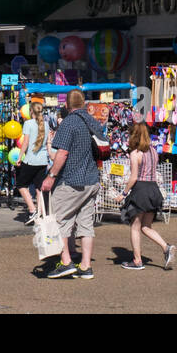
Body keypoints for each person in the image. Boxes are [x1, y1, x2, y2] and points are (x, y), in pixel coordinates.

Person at [40, 89, 104, 279]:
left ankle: (66, 262)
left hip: (71, 180)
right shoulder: (92, 121)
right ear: (84, 103)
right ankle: (85, 266)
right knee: (85, 224)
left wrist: (51, 175)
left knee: (57, 220)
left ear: (67, 105)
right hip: (92, 180)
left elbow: (62, 153)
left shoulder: (69, 122)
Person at [120, 122, 175, 271]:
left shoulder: (135, 154)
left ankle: (137, 260)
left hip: (141, 190)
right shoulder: (153, 151)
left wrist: (123, 194)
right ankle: (166, 247)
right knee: (146, 226)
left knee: (135, 227)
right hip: (153, 189)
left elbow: (133, 178)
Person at [16, 99, 51, 224]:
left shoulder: (28, 124)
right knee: (38, 187)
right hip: (43, 161)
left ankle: (32, 210)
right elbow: (48, 143)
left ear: (31, 111)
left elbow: (25, 142)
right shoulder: (46, 124)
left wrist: (20, 157)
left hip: (31, 160)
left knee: (21, 184)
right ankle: (41, 213)